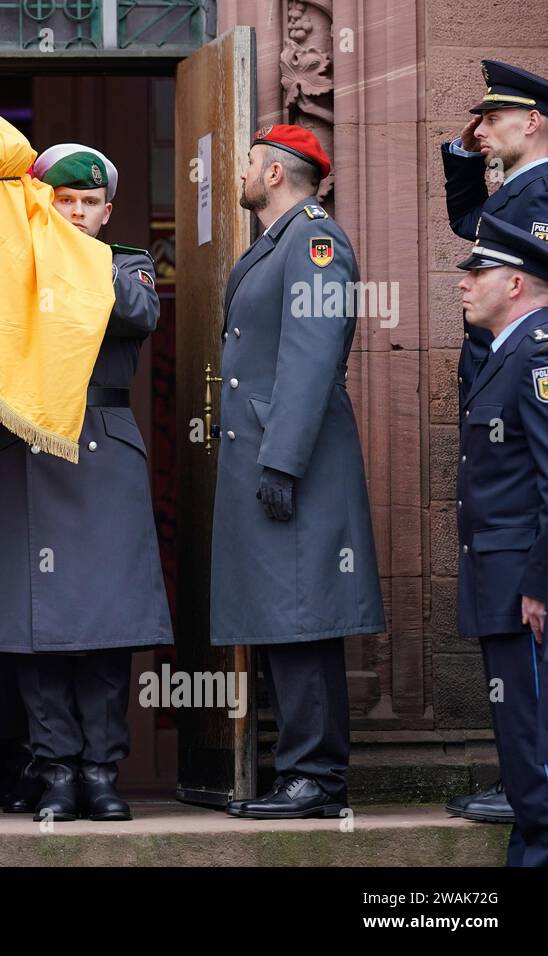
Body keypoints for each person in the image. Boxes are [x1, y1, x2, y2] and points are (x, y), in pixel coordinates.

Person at [0, 144, 173, 821]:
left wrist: (72, 255)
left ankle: (100, 770)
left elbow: (139, 317)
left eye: (88, 204)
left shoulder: (126, 263)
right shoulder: (12, 271)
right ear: (43, 205)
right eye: (64, 203)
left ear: (107, 212)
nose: (77, 213)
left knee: (106, 627)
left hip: (101, 451)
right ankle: (55, 769)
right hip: (28, 450)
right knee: (37, 626)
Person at [213, 125, 385, 819]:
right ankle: (302, 772)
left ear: (277, 173)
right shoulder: (276, 242)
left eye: (251, 162)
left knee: (305, 616)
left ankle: (315, 778)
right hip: (270, 451)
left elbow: (313, 357)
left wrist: (281, 460)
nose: (243, 173)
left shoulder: (317, 240)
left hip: (295, 457)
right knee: (285, 615)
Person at [441, 59, 548, 828]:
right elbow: (475, 235)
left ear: (533, 121)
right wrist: (460, 161)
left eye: (494, 120)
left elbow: (516, 262)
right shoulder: (515, 191)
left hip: (521, 383)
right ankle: (522, 781)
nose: (483, 131)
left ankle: (531, 791)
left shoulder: (544, 194)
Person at [452, 212, 548, 867]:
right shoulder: (505, 351)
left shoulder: (536, 353)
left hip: (527, 589)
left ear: (516, 283)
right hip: (503, 579)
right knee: (521, 742)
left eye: (477, 272)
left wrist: (541, 586)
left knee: (534, 746)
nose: (463, 284)